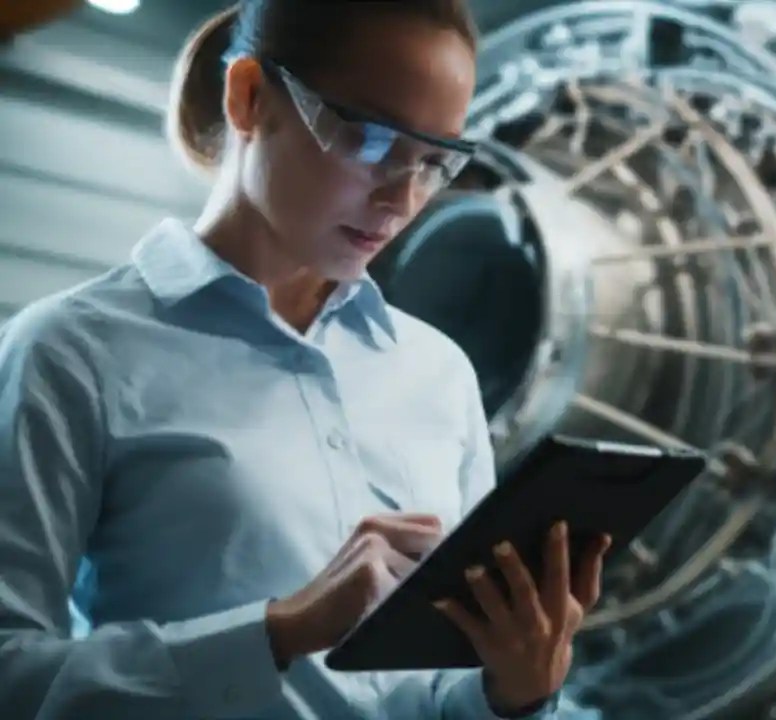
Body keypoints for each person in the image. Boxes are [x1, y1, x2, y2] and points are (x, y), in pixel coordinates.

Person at [0, 1, 611, 718]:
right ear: (250, 97)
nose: (401, 199)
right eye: (373, 140)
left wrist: (512, 688)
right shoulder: (72, 353)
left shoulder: (438, 374)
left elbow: (435, 688)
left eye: (434, 162)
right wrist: (278, 630)